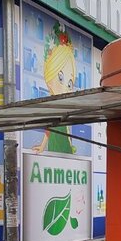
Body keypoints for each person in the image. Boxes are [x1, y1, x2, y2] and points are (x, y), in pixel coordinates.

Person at [34, 23, 77, 154]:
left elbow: (66, 130)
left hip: (63, 145)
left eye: (70, 84)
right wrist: (42, 147)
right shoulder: (53, 106)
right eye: (60, 77)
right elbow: (49, 128)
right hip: (56, 143)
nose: (65, 87)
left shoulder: (63, 107)